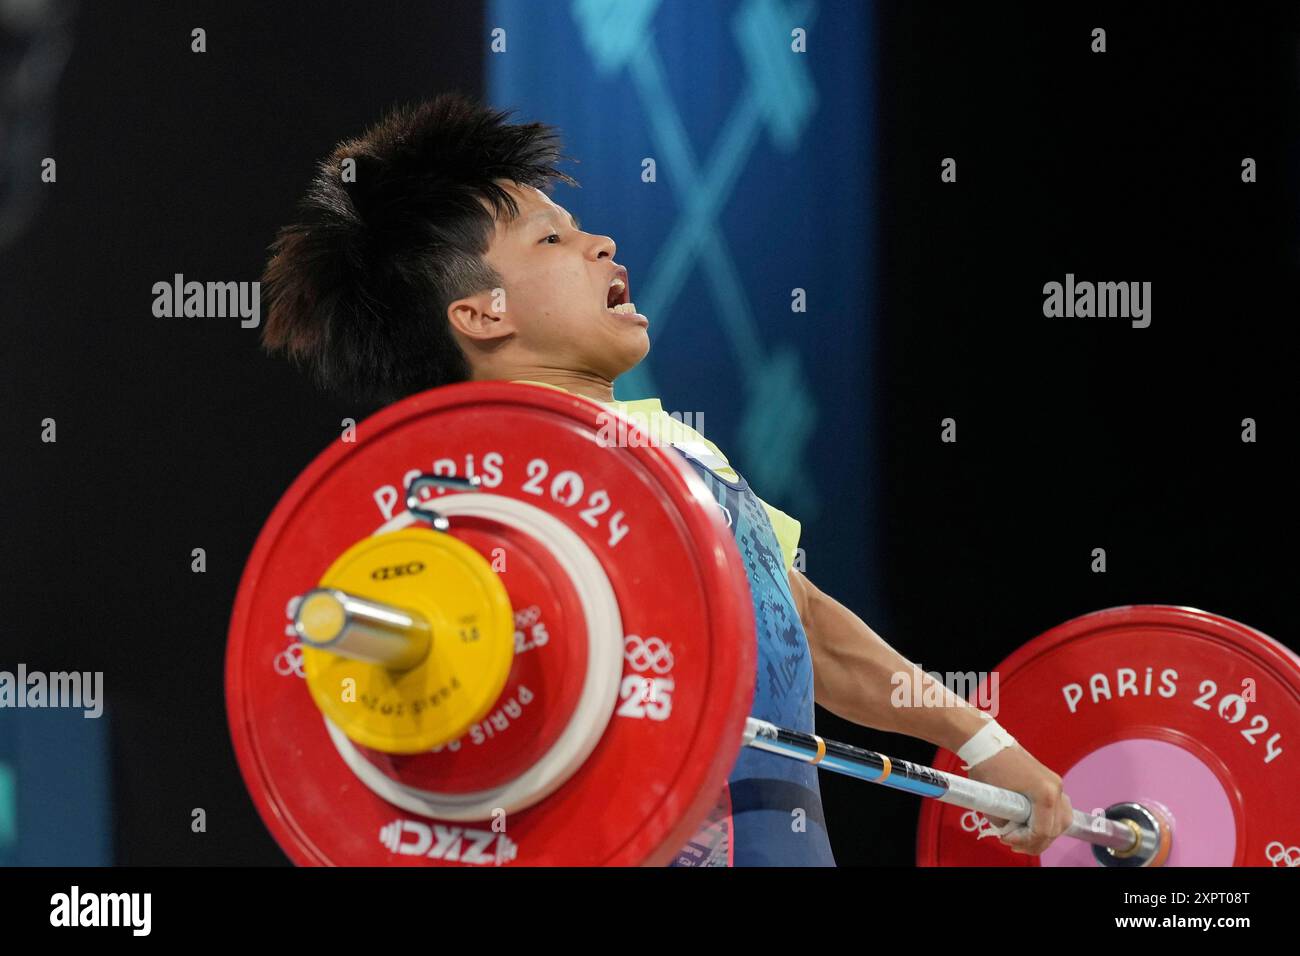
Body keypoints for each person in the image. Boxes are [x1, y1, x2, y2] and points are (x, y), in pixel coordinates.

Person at [260, 92, 1073, 865]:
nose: (601, 244)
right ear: (481, 314)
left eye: (578, 229)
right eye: (551, 239)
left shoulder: (684, 453)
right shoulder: (460, 505)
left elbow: (806, 632)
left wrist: (979, 740)